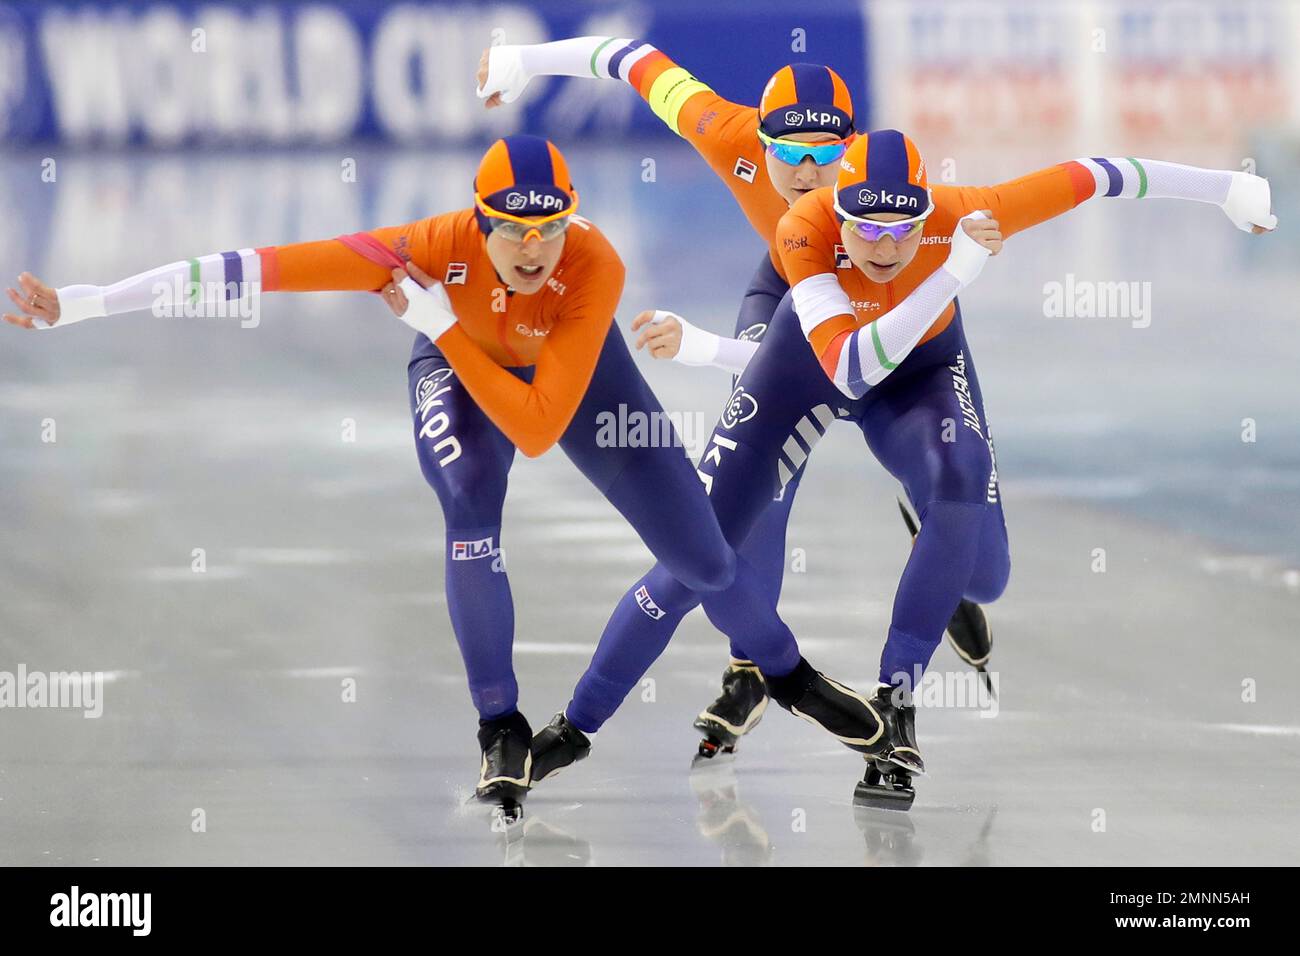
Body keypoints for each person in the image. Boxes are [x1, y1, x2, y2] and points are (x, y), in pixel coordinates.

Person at [4, 134, 898, 816]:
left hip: (561, 384)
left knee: (707, 563)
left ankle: (789, 677)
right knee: (472, 499)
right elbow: (257, 271)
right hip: (458, 373)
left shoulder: (594, 265)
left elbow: (542, 427)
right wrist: (86, 304)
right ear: (481, 220)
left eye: (549, 228)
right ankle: (500, 722)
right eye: (514, 229)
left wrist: (438, 322)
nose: (534, 248)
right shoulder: (427, 247)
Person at [488, 124, 1278, 799]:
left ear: (929, 211)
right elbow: (853, 370)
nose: (886, 247)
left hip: (926, 380)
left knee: (984, 568)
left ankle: (927, 574)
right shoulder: (805, 231)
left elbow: (1100, 175)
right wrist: (956, 274)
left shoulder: (968, 212)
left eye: (905, 229)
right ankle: (577, 728)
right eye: (866, 228)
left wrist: (1224, 190)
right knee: (695, 560)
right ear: (838, 210)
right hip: (813, 371)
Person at [477, 37, 994, 760]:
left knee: (988, 572)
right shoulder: (724, 132)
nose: (808, 171)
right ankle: (751, 666)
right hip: (791, 288)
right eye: (789, 151)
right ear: (759, 140)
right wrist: (526, 61)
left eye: (826, 151)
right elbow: (632, 59)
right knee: (757, 490)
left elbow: (851, 363)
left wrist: (700, 348)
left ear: (854, 148)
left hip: (901, 312)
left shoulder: (894, 206)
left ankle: (941, 562)